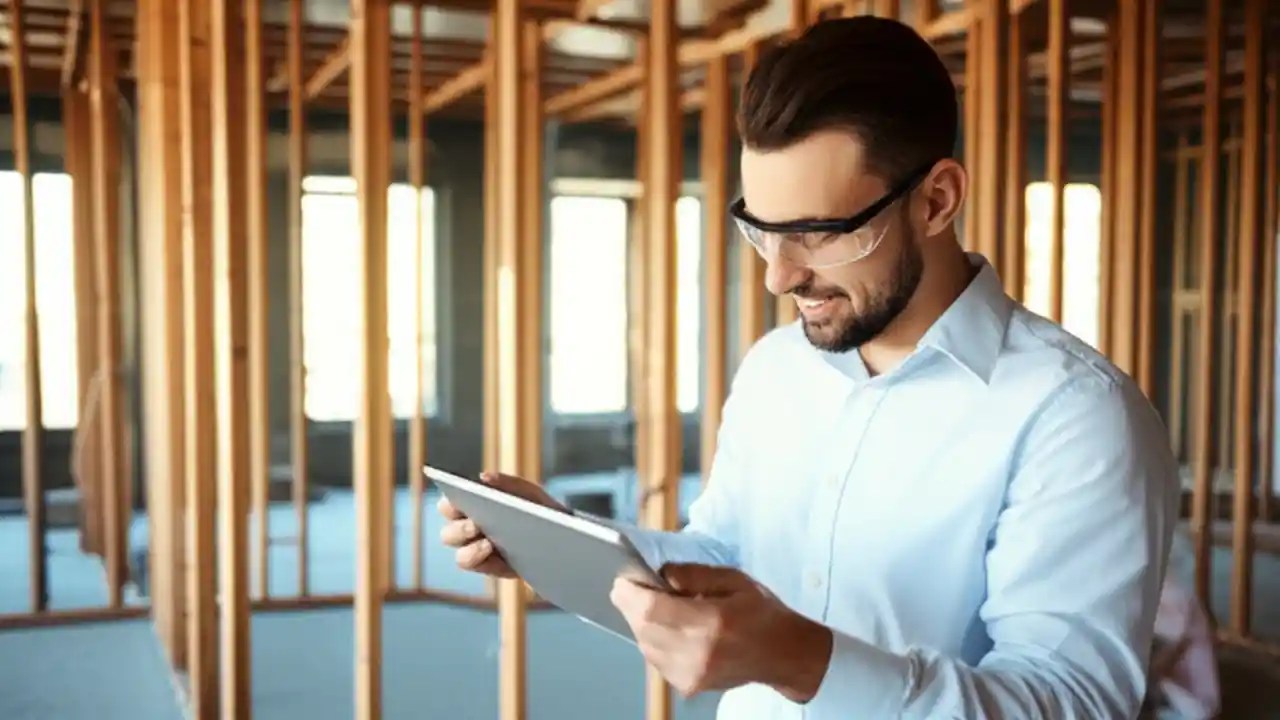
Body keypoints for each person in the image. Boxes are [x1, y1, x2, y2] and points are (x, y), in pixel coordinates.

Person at [440, 16, 1178, 719]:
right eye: (761, 232)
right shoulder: (776, 369)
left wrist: (806, 661)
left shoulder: (1076, 417)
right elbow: (727, 553)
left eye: (817, 234)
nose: (778, 277)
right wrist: (568, 544)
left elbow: (1070, 705)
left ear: (937, 200)